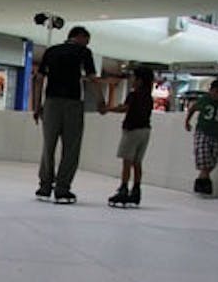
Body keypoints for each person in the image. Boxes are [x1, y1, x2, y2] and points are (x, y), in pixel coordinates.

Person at [33, 26, 106, 204]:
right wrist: (100, 101)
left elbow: (39, 78)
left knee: (48, 145)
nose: (87, 43)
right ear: (80, 37)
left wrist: (36, 106)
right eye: (87, 40)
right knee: (71, 147)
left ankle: (44, 186)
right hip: (73, 103)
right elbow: (93, 78)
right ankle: (62, 188)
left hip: (51, 102)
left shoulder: (51, 51)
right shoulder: (84, 52)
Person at [101, 66, 154, 207]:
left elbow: (125, 108)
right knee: (137, 162)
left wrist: (108, 108)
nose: (131, 80)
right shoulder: (149, 96)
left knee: (127, 162)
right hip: (145, 131)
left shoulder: (134, 94)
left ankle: (124, 188)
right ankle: (136, 190)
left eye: (134, 77)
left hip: (132, 131)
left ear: (140, 80)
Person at [185, 78, 218, 196]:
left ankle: (201, 180)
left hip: (217, 135)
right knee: (203, 156)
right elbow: (193, 108)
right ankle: (205, 183)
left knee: (212, 160)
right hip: (203, 132)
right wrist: (187, 121)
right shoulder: (205, 99)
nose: (217, 94)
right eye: (215, 91)